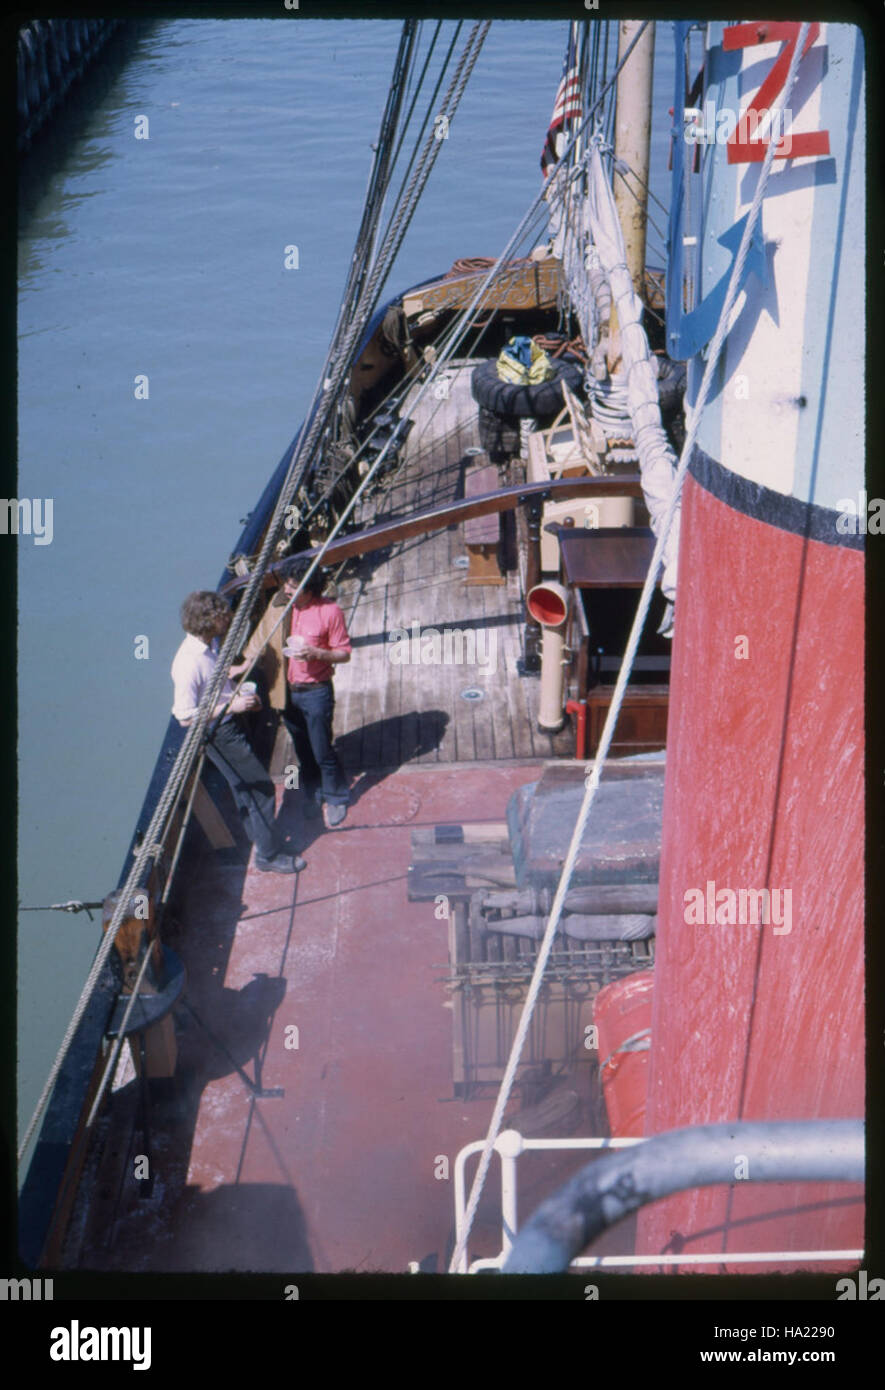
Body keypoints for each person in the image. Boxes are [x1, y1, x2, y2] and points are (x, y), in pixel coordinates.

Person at [171, 590, 305, 873]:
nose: (228, 619)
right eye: (222, 617)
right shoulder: (188, 664)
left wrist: (240, 678)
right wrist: (233, 707)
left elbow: (216, 680)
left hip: (230, 722)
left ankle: (260, 837)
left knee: (243, 788)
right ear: (208, 621)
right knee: (261, 789)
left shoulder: (211, 645)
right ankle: (268, 856)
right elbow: (184, 717)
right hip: (219, 734)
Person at [244, 557, 352, 829]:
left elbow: (344, 654)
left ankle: (337, 795)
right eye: (286, 585)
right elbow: (261, 639)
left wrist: (317, 653)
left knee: (322, 749)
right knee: (302, 749)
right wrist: (242, 668)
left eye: (293, 587)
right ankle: (313, 792)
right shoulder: (281, 606)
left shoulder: (330, 611)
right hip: (287, 692)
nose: (286, 591)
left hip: (316, 692)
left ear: (309, 588)